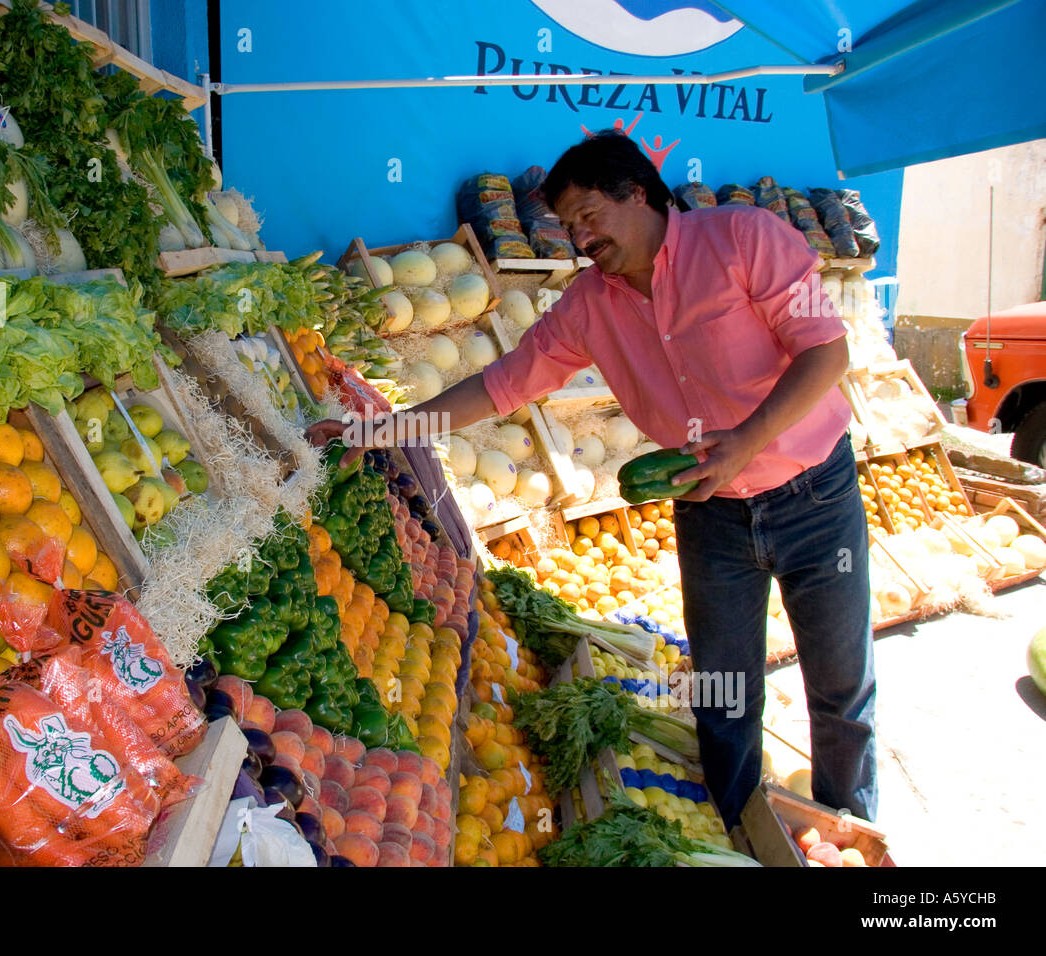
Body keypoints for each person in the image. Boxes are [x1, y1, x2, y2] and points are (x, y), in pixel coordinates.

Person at [308, 131, 877, 830]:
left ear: (637, 193)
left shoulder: (744, 238)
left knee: (839, 684)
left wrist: (747, 441)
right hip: (711, 511)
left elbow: (826, 350)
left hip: (813, 491)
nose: (579, 237)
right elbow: (499, 387)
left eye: (588, 216)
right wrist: (378, 430)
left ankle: (854, 835)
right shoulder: (590, 304)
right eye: (567, 225)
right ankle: (742, 829)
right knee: (725, 693)